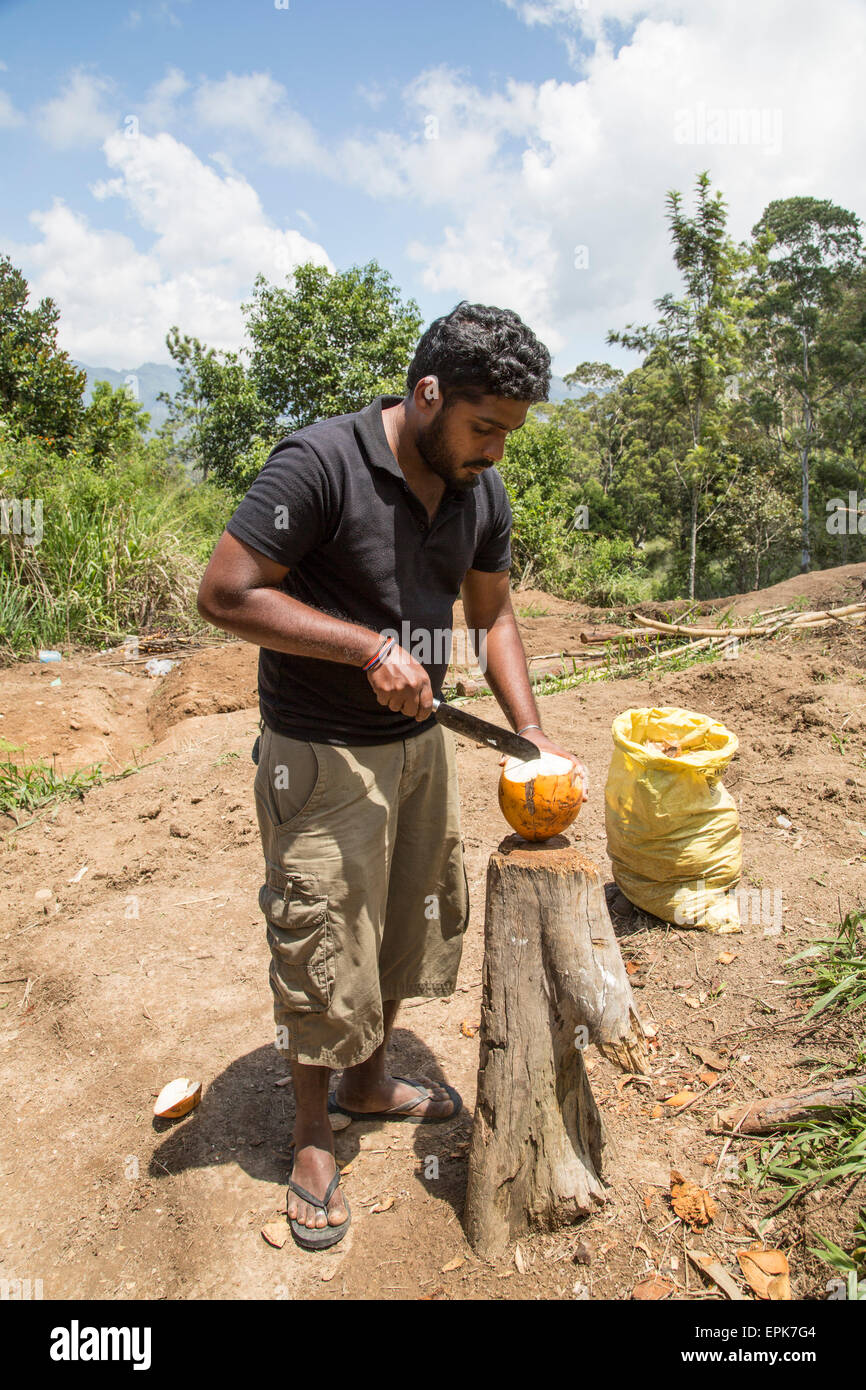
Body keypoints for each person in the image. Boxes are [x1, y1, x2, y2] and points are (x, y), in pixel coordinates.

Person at [196, 301, 589, 1250]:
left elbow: (492, 619)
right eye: (483, 425)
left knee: (404, 921)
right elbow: (225, 593)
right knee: (323, 933)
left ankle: (370, 1082)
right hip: (320, 751)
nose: (495, 449)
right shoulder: (320, 465)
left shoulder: (479, 491)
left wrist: (529, 737)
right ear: (426, 394)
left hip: (420, 749)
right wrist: (368, 648)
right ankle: (312, 1137)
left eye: (509, 431)